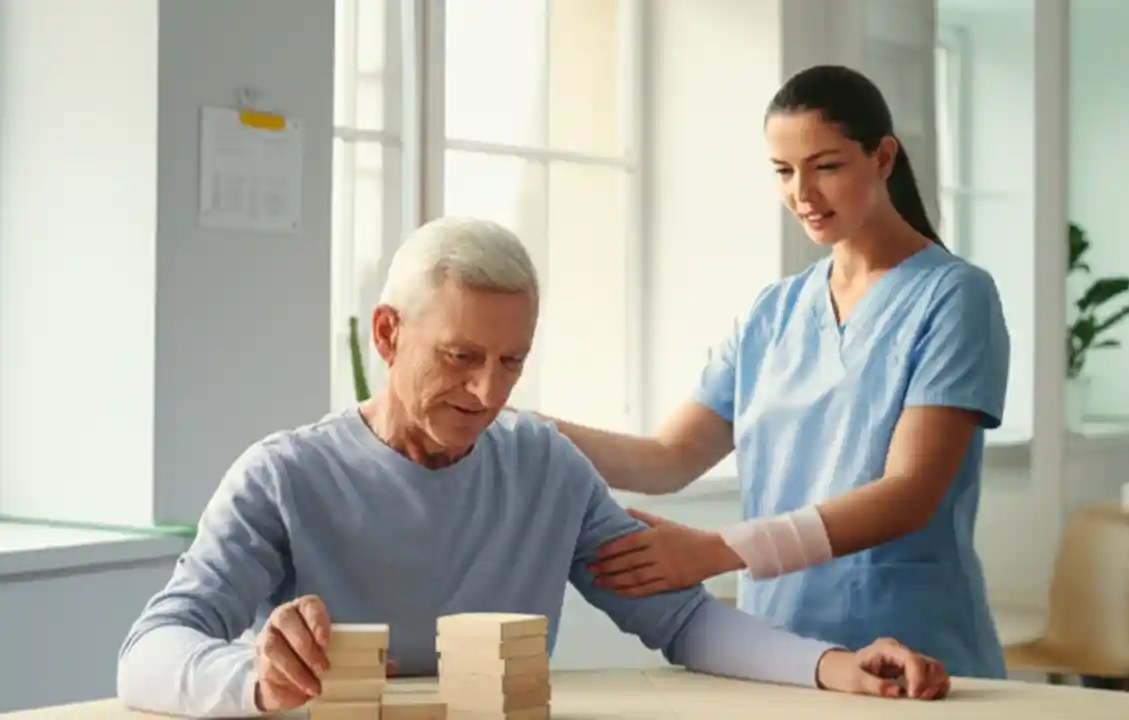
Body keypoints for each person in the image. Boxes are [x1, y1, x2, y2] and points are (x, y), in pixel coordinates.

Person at [115, 216, 951, 718]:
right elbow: (149, 652)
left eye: (513, 361)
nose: (488, 392)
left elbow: (684, 623)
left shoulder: (545, 465)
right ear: (385, 335)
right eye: (460, 355)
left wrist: (835, 667)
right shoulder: (284, 478)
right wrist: (255, 680)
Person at [543, 65, 1011, 680]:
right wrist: (523, 427)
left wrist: (713, 551)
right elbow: (667, 458)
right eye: (783, 172)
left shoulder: (954, 298)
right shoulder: (774, 312)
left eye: (827, 166)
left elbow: (909, 494)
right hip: (783, 655)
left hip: (915, 652)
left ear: (883, 157)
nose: (803, 195)